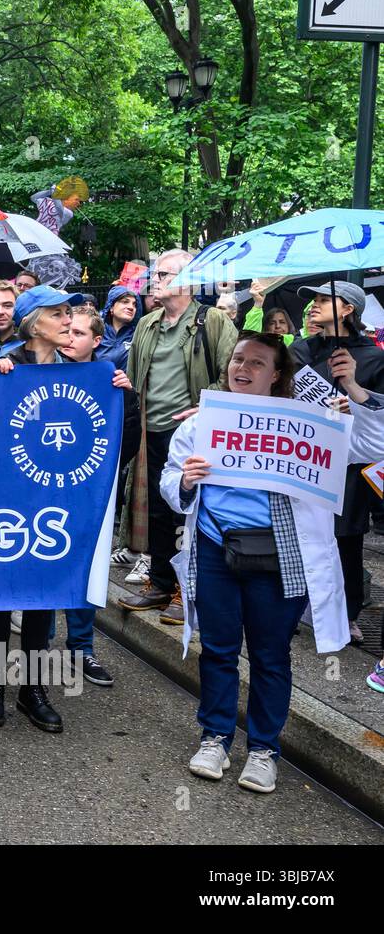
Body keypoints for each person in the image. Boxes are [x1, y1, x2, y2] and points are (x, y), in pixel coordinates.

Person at [162, 334, 384, 792]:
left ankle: (263, 749)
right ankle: (216, 737)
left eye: (257, 362)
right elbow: (171, 477)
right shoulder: (203, 421)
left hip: (282, 556)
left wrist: (356, 391)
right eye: (237, 359)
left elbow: (373, 444)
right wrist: (184, 481)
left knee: (269, 655)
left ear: (277, 374)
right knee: (220, 649)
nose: (243, 368)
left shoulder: (311, 424)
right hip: (215, 550)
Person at [0, 288, 131, 727]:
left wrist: (125, 397)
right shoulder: (4, 368)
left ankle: (33, 689)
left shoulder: (83, 375)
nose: (69, 320)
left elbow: (117, 443)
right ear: (33, 323)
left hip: (58, 503)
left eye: (71, 313)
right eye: (59, 313)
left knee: (43, 595)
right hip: (8, 503)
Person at [121, 249, 238, 617]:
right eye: (157, 274)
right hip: (150, 432)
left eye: (165, 274)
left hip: (191, 436)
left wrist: (209, 406)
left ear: (189, 280)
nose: (156, 280)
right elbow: (135, 374)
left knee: (186, 515)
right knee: (156, 508)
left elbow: (232, 374)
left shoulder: (214, 321)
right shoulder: (147, 323)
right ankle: (159, 582)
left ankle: (186, 591)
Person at [291, 282, 384, 647]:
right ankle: (298, 605)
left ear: (348, 309)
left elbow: (378, 416)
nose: (313, 307)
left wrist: (354, 402)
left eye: (321, 300)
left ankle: (347, 614)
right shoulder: (302, 349)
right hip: (303, 457)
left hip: (349, 464)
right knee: (300, 532)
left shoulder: (373, 357)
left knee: (346, 537)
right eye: (312, 301)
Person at [94, 285, 141, 371]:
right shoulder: (95, 332)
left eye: (134, 304)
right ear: (111, 307)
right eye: (125, 302)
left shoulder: (139, 335)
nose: (131, 307)